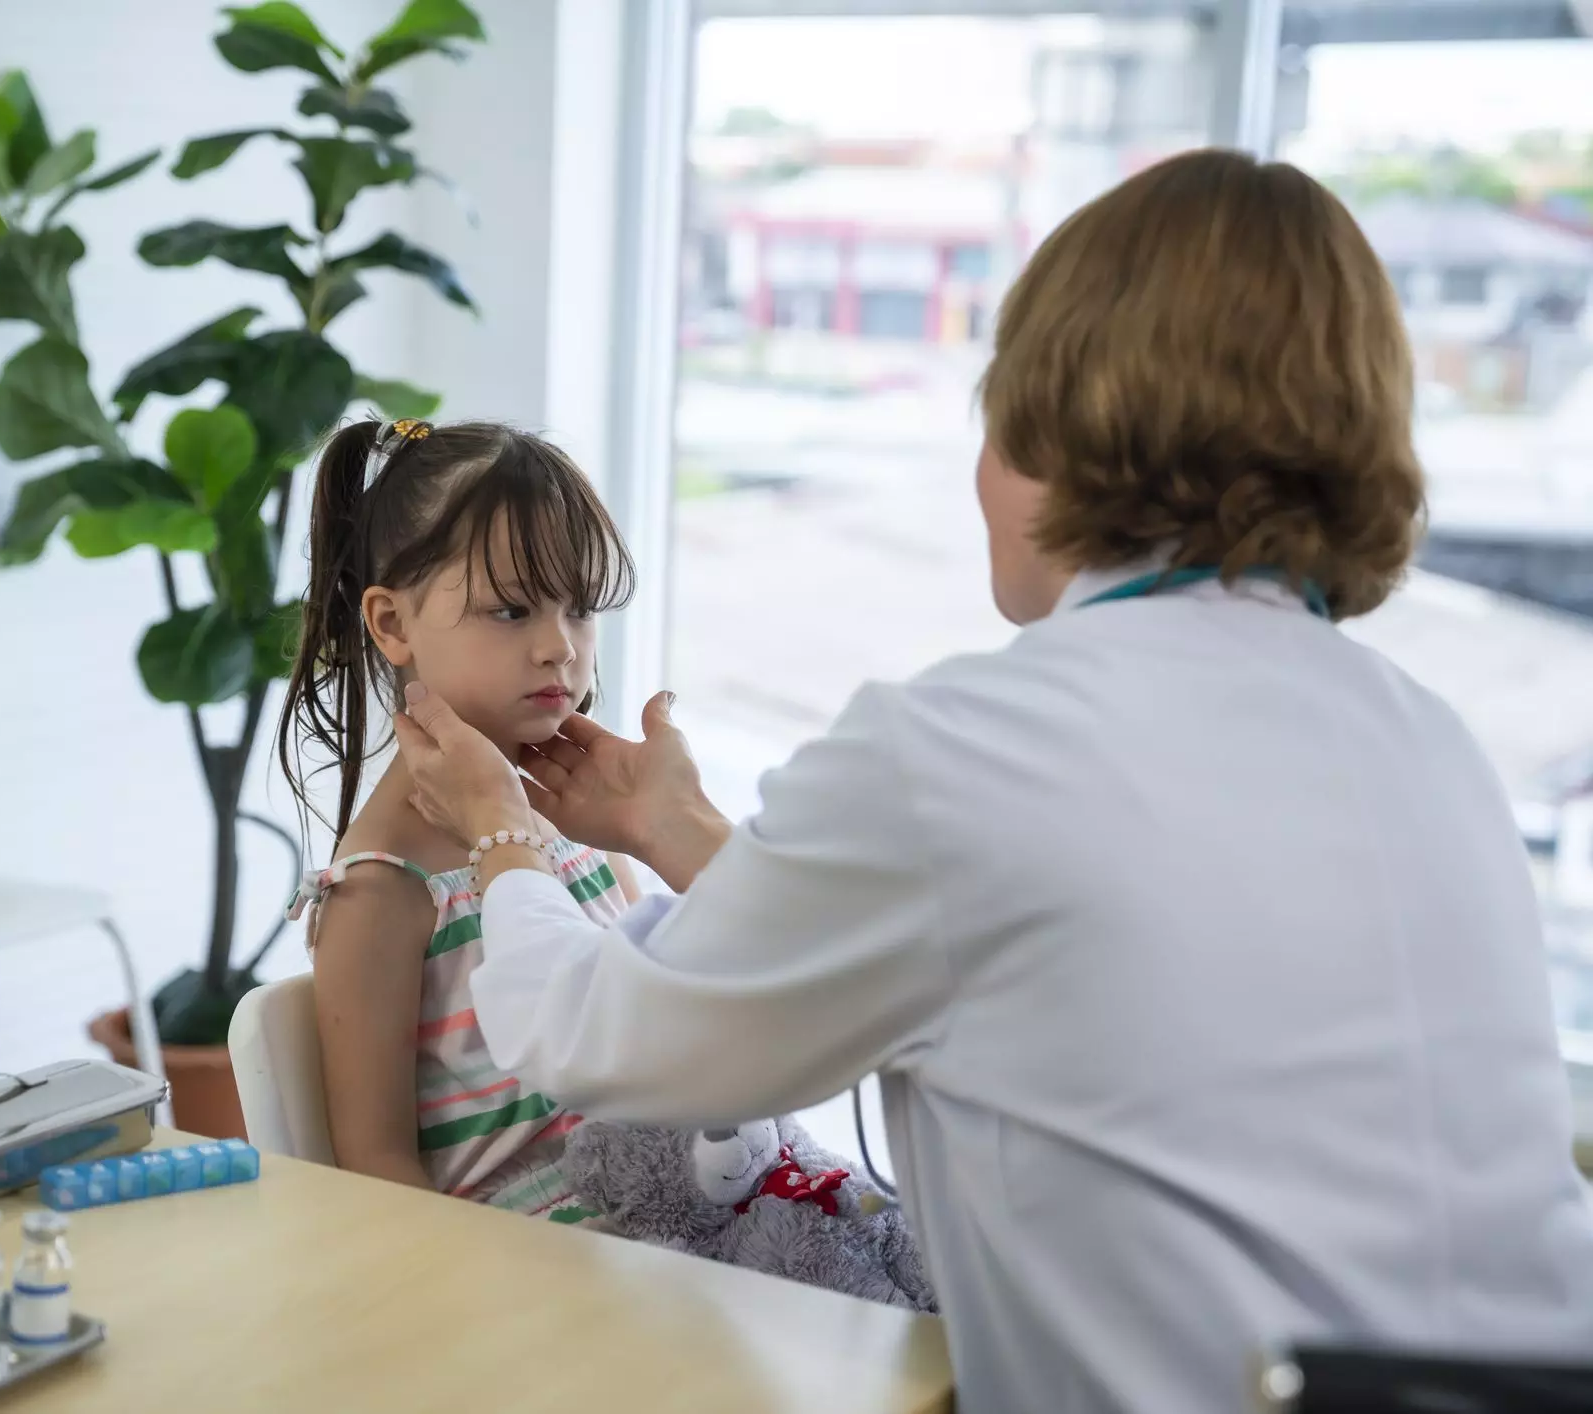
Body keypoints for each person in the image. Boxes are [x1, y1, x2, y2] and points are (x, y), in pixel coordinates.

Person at [390, 150, 1593, 1412]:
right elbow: (982, 952)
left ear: (1052, 435)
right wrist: (671, 822)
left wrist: (500, 834)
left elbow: (594, 1038)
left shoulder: (963, 753)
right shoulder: (1428, 743)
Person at [276, 417, 642, 1223]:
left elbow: (666, 1025)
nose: (559, 648)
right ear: (392, 624)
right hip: (529, 1277)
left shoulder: (583, 823)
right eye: (510, 611)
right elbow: (376, 1170)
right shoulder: (385, 889)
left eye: (579, 609)